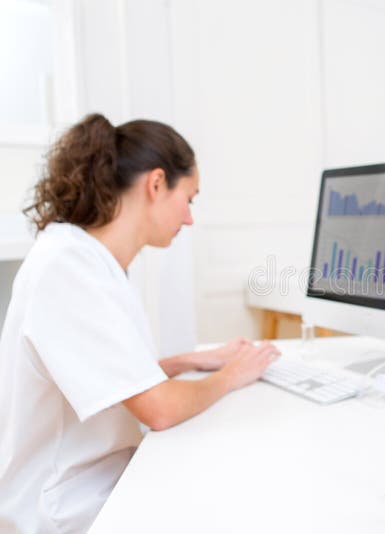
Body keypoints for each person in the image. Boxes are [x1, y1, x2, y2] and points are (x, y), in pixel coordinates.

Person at [0, 113, 281, 533]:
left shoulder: (86, 259)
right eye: (190, 198)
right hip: (63, 511)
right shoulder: (68, 267)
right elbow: (159, 409)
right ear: (155, 184)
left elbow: (114, 380)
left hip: (92, 485)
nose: (189, 219)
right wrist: (233, 375)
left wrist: (191, 361)